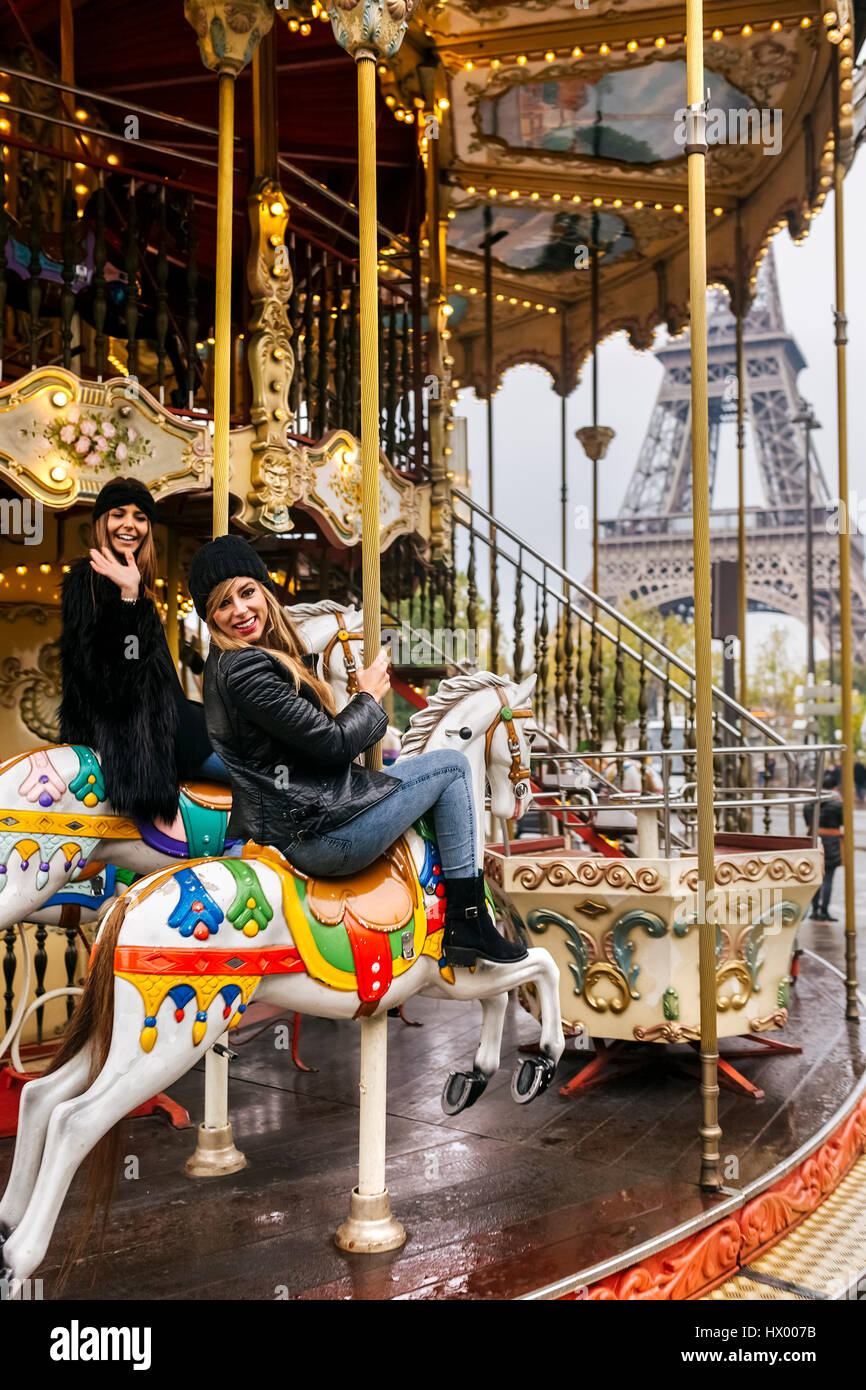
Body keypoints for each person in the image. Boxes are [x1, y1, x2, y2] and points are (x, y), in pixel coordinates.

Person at [188, 534, 526, 966]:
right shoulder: (248, 668)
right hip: (317, 835)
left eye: (247, 591)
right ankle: (469, 921)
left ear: (264, 591)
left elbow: (304, 739)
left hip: (294, 822)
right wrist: (366, 697)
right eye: (223, 603)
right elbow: (334, 744)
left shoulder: (238, 661)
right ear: (210, 617)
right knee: (453, 766)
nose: (240, 609)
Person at [59, 477, 227, 825]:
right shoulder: (87, 582)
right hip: (150, 739)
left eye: (140, 517)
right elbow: (120, 679)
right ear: (101, 522)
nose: (129, 525)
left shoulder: (131, 582)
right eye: (118, 513)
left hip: (171, 726)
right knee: (266, 774)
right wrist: (130, 599)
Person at [803, 772, 843, 922]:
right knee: (828, 879)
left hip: (814, 840)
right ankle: (824, 909)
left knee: (816, 876)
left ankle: (815, 909)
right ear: (834, 788)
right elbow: (844, 822)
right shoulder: (838, 805)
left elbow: (807, 821)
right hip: (832, 841)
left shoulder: (810, 804)